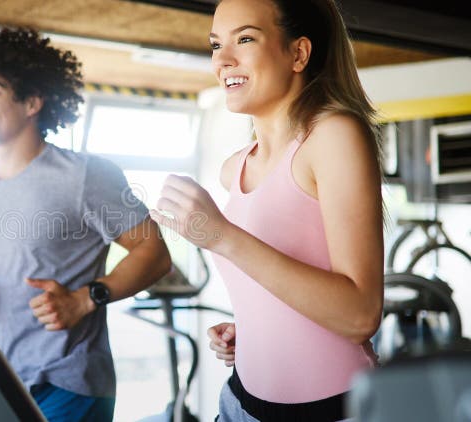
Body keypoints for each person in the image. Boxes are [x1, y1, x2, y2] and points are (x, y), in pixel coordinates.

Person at [151, 0, 384, 420]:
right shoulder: (234, 168)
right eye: (215, 44)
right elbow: (280, 285)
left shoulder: (333, 137)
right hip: (239, 402)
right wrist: (259, 331)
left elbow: (360, 315)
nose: (222, 60)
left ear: (298, 54)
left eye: (244, 39)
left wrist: (222, 236)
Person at [0, 27, 171, 422]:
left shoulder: (85, 175)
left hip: (72, 382)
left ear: (32, 102)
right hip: (8, 379)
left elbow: (154, 253)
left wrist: (85, 299)